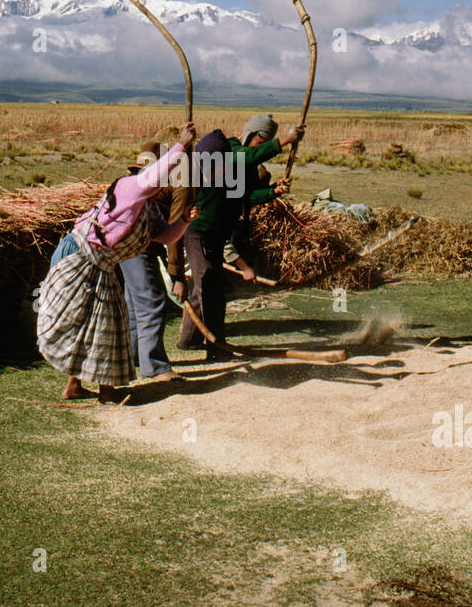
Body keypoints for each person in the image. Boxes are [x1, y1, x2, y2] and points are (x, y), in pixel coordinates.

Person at [37, 122, 196, 402]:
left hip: (101, 266)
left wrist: (184, 220)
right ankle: (104, 391)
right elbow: (151, 178)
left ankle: (84, 388)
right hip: (79, 257)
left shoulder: (149, 209)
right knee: (83, 322)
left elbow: (166, 237)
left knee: (107, 324)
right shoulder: (128, 188)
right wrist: (181, 146)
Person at [176, 114, 303, 359]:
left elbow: (247, 196)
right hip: (199, 231)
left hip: (216, 235)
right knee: (210, 290)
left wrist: (273, 191)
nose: (260, 147)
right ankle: (217, 348)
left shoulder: (245, 167)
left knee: (203, 288)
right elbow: (246, 156)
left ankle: (188, 340)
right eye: (261, 142)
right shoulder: (230, 151)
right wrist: (284, 141)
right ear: (250, 136)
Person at [119, 140, 194, 383]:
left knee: (134, 305)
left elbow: (167, 232)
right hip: (135, 250)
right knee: (151, 302)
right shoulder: (168, 188)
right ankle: (154, 366)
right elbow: (172, 240)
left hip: (130, 250)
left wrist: (184, 221)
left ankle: (132, 356)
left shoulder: (133, 191)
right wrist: (177, 276)